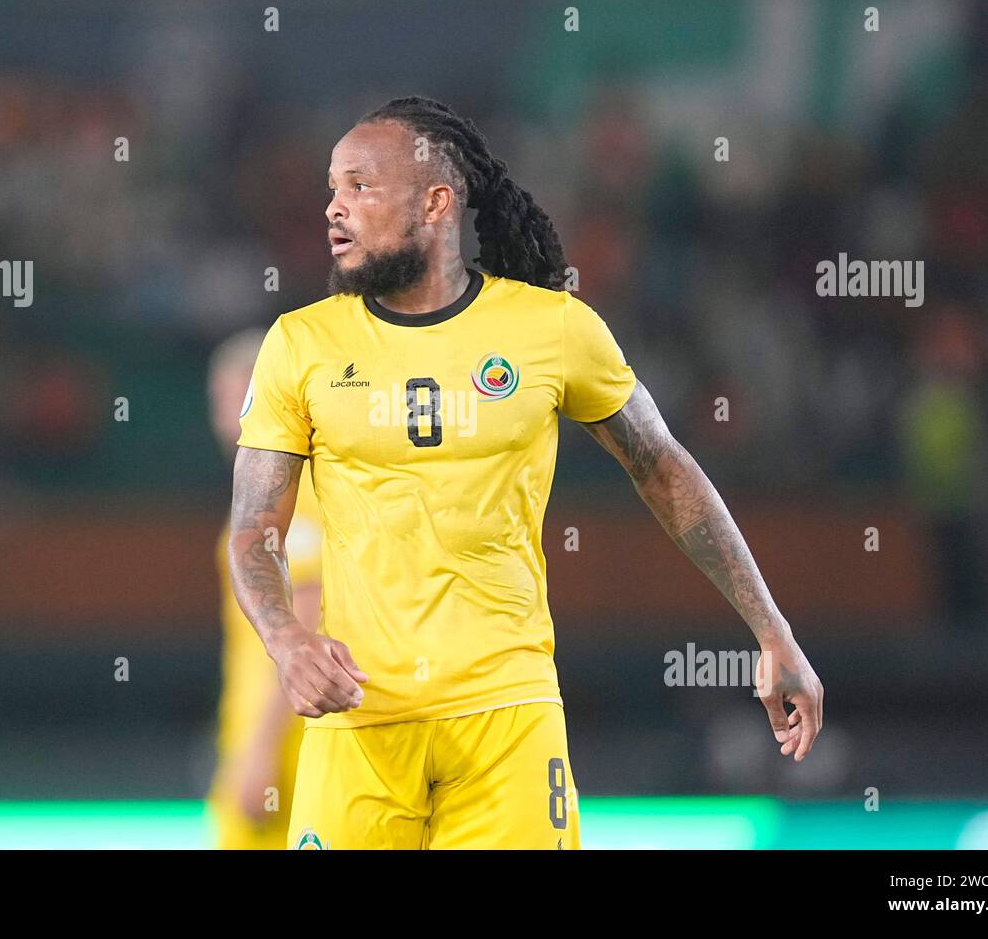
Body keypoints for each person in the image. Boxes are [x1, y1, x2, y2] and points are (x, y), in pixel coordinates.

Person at [228, 96, 823, 849]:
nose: (333, 209)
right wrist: (287, 641)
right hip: (359, 724)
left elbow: (666, 471)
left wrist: (772, 632)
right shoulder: (299, 344)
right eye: (331, 188)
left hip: (506, 718)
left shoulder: (552, 328)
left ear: (436, 202)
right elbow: (254, 529)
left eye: (358, 186)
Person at [206, 329, 322, 848]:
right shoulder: (259, 503)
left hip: (295, 751)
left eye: (237, 397)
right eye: (219, 399)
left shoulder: (307, 493)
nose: (222, 415)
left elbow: (309, 617)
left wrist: (262, 749)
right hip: (258, 741)